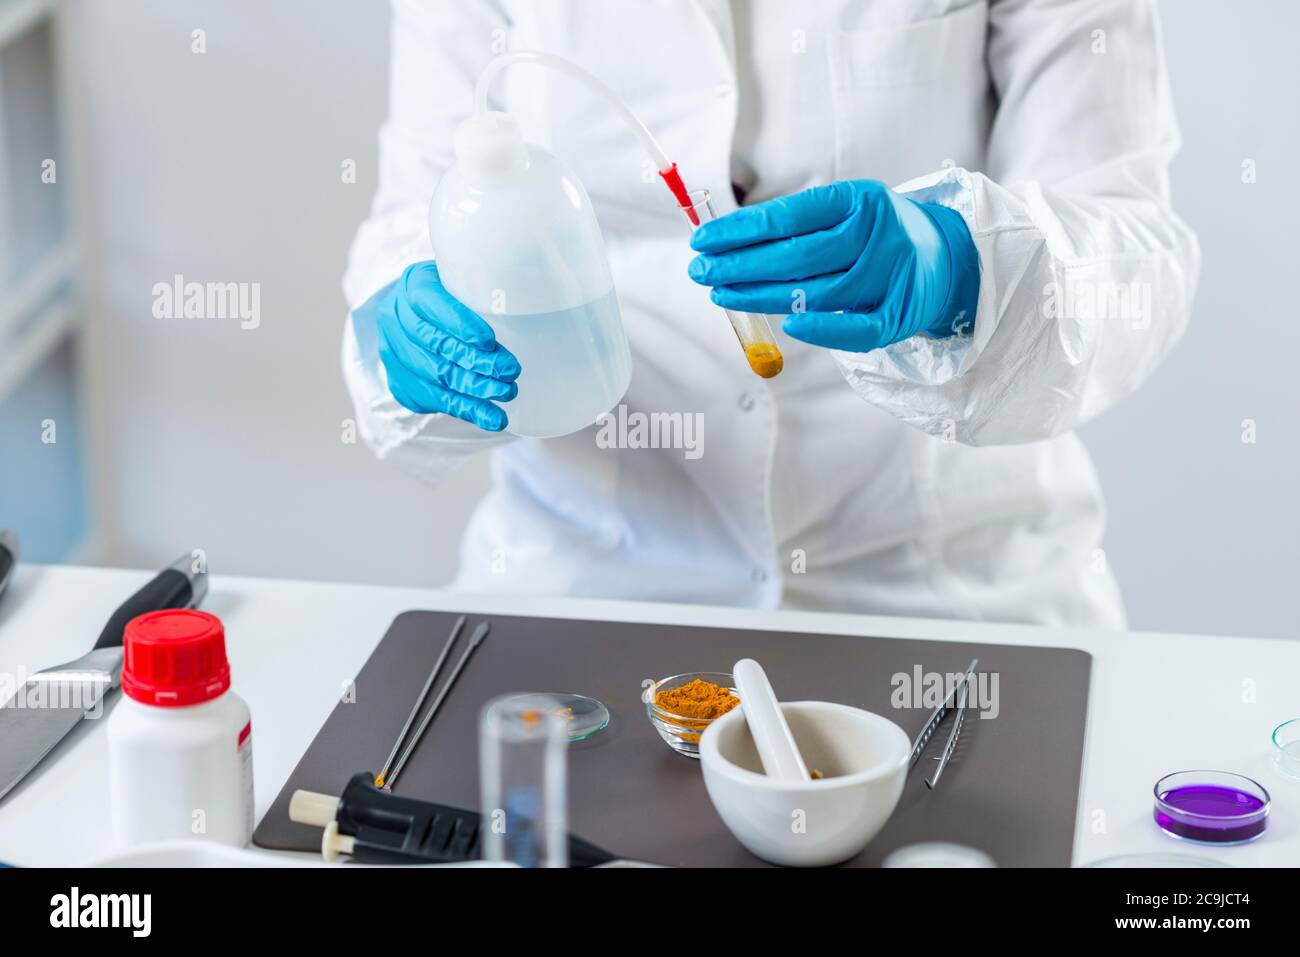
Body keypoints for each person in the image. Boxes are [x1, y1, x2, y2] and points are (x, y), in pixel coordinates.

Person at [343, 0, 1199, 627]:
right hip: (584, 588)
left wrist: (962, 267)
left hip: (952, 598)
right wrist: (405, 332)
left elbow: (1134, 254)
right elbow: (413, 217)